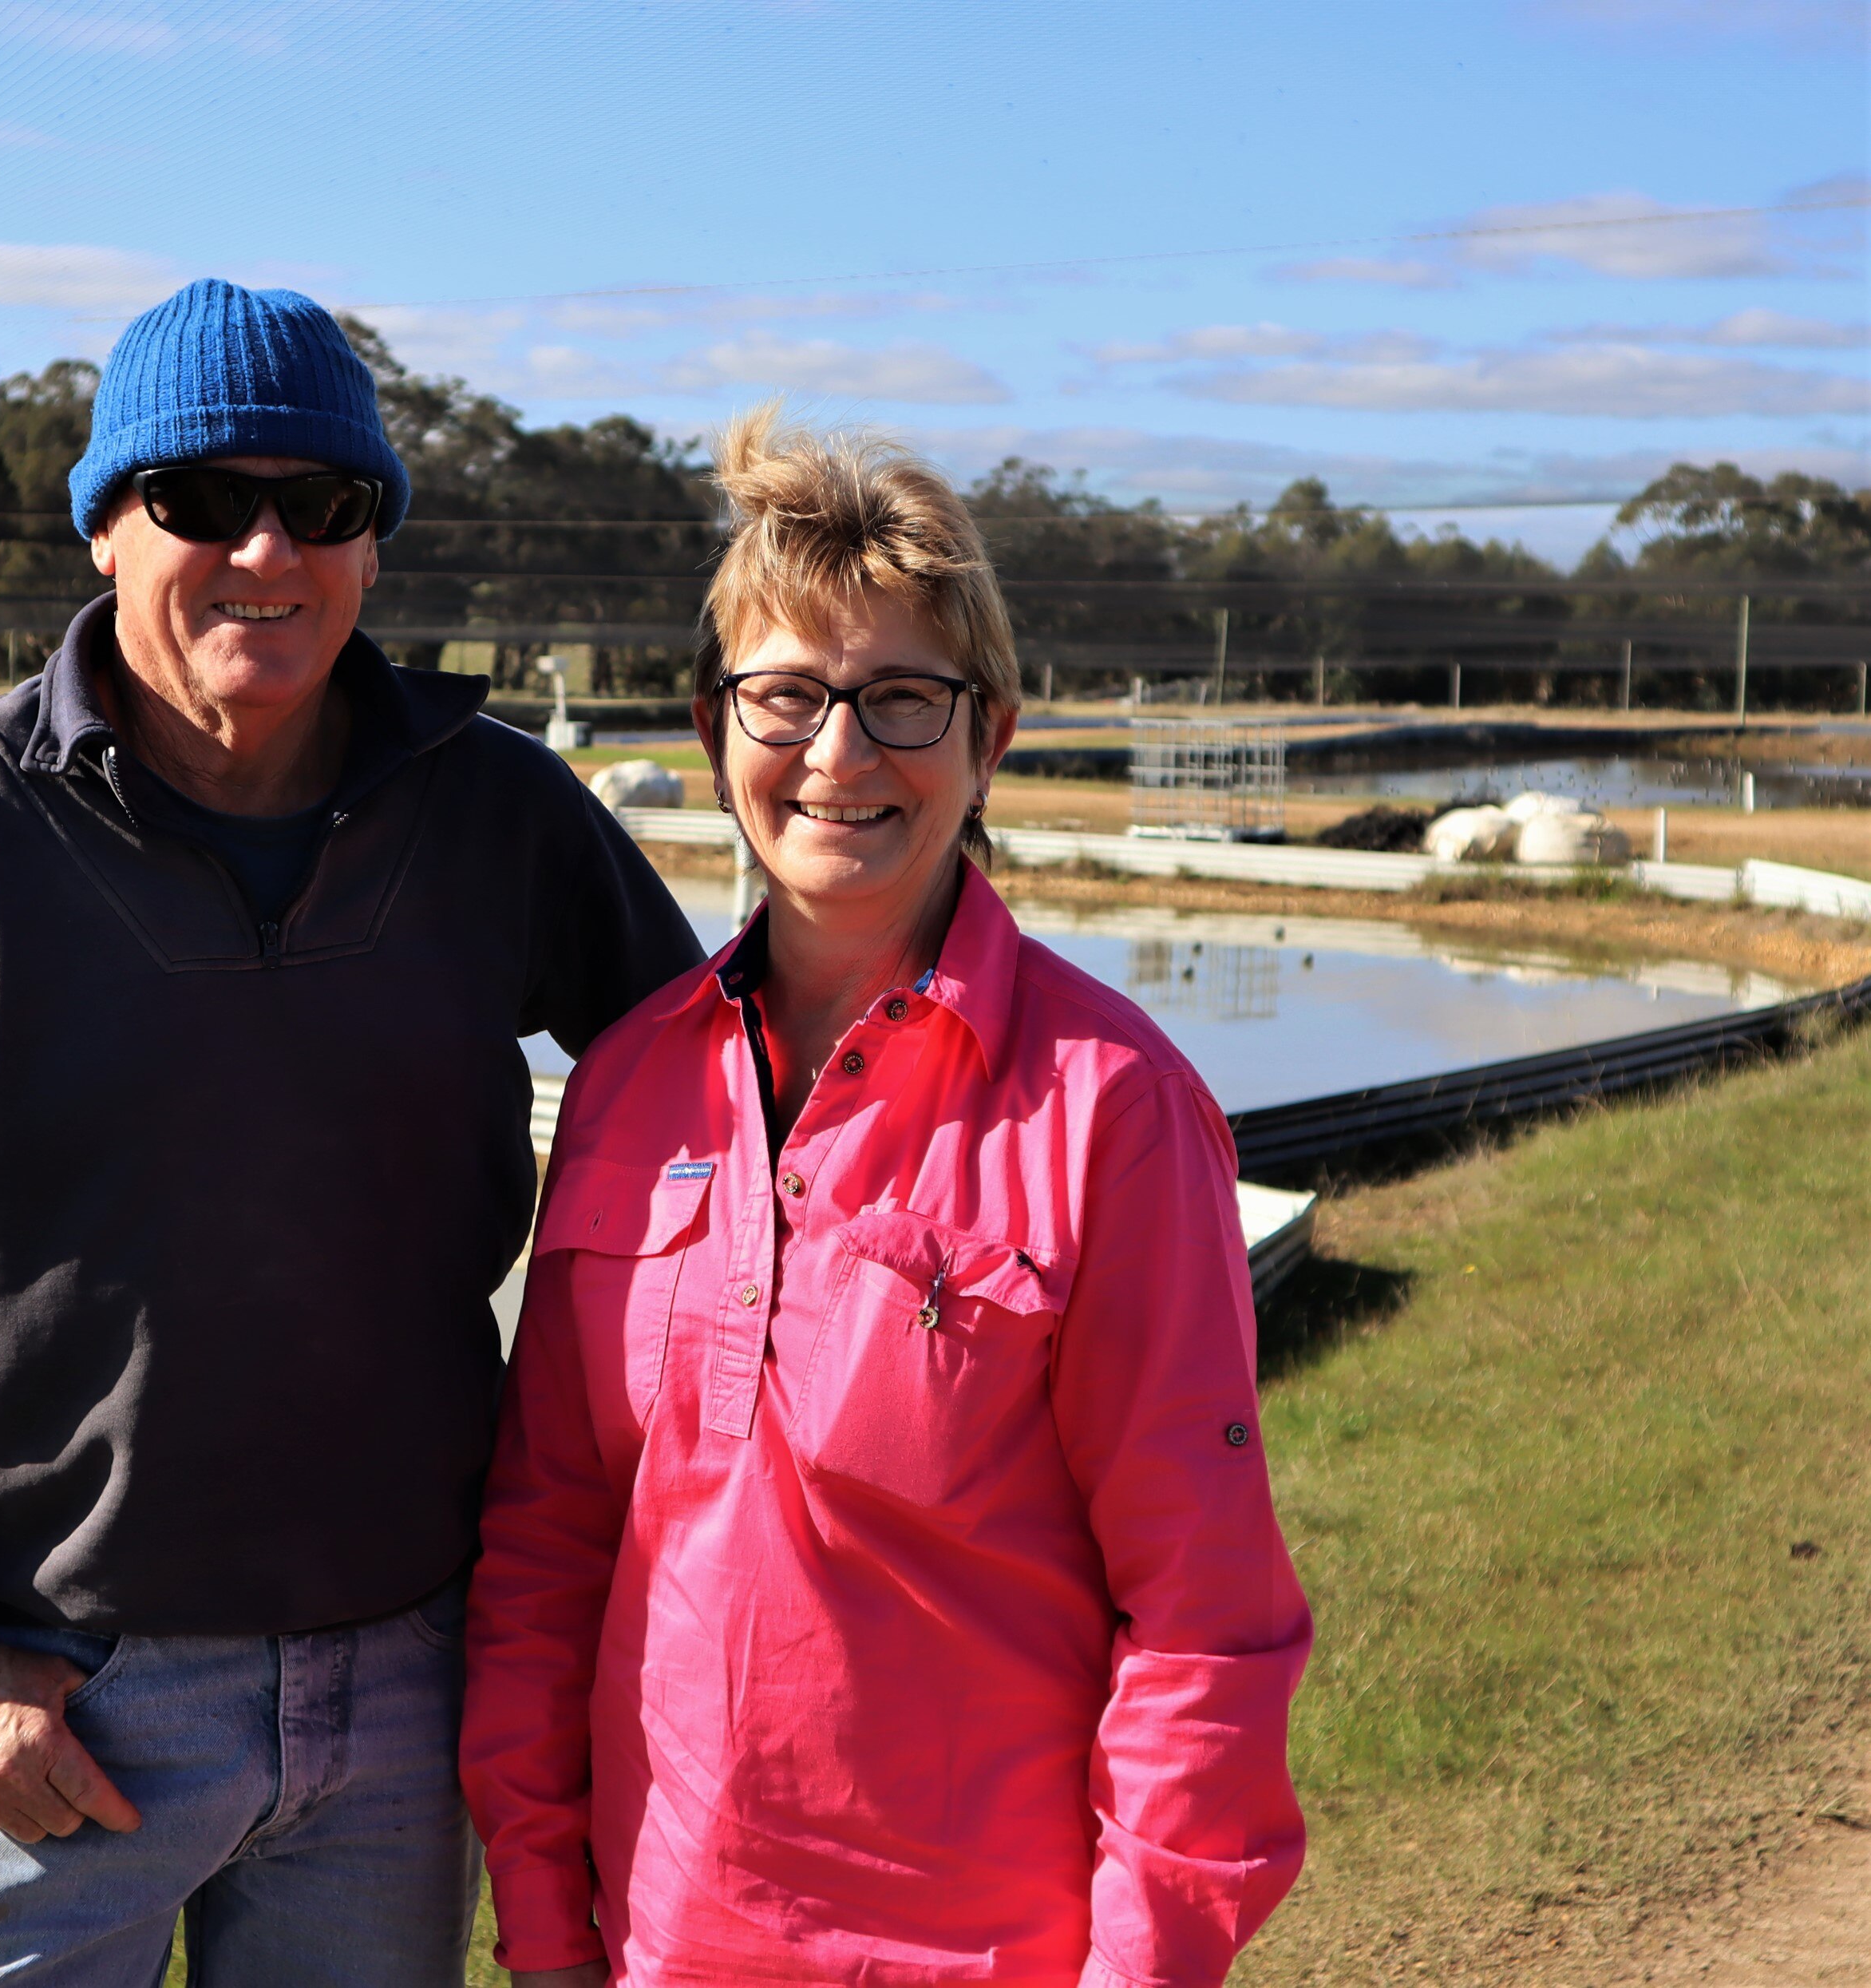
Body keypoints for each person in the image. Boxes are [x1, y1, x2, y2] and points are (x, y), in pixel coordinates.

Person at [0, 278, 704, 1986]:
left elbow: (715, 1124)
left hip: (403, 1694)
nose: (264, 552)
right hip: (50, 1692)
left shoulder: (493, 813)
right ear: (104, 525)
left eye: (319, 505)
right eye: (199, 503)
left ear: (371, 545)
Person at [461, 409, 1311, 1987]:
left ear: (987, 735)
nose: (838, 755)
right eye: (785, 697)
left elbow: (1201, 1629)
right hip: (649, 1944)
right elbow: (547, 1551)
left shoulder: (1105, 1112)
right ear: (715, 726)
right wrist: (544, 1922)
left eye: (899, 699)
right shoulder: (629, 1084)